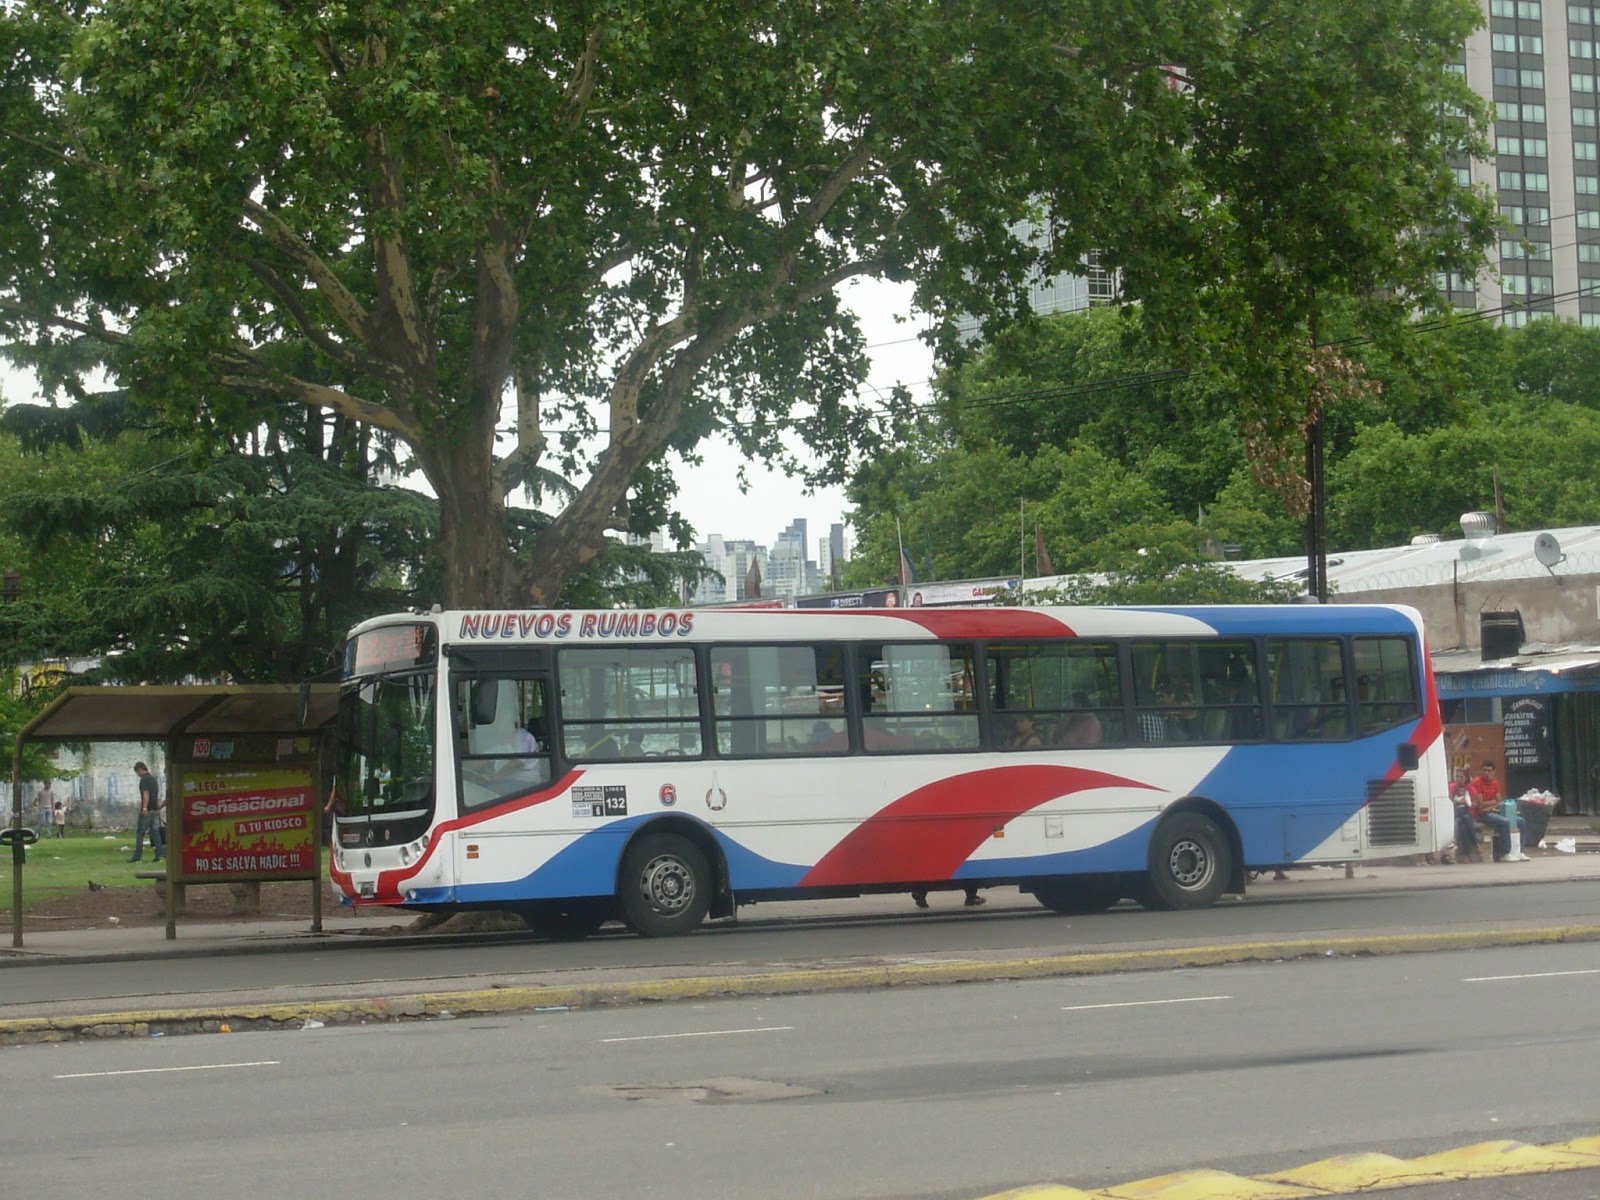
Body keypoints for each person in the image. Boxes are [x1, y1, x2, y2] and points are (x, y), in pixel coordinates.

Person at [1468, 760, 1523, 861]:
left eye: (1489, 770)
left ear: (1493, 772)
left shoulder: (1495, 783)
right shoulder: (1477, 782)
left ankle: (1520, 852)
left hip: (1491, 811)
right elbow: (1480, 804)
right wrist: (1493, 802)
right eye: (1485, 770)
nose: (1487, 773)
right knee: (1505, 822)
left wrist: (1490, 805)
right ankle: (1504, 853)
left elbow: (1499, 801)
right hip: (1480, 814)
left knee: (1520, 821)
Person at [128, 761, 165, 863]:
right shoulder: (153, 779)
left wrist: (144, 807)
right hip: (155, 809)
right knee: (155, 832)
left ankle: (137, 856)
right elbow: (156, 794)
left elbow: (146, 793)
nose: (137, 774)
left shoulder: (144, 780)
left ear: (140, 769)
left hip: (148, 809)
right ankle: (160, 855)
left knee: (140, 832)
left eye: (137, 772)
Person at [1449, 766, 1479, 862]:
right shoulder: (1452, 787)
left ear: (1466, 778)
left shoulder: (1470, 788)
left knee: (1464, 825)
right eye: (1457, 777)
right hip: (1455, 814)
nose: (1459, 779)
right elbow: (1448, 802)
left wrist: (1467, 804)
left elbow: (1475, 804)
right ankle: (1475, 845)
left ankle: (1465, 855)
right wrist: (1456, 803)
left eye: (1461, 777)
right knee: (1460, 824)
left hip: (1467, 814)